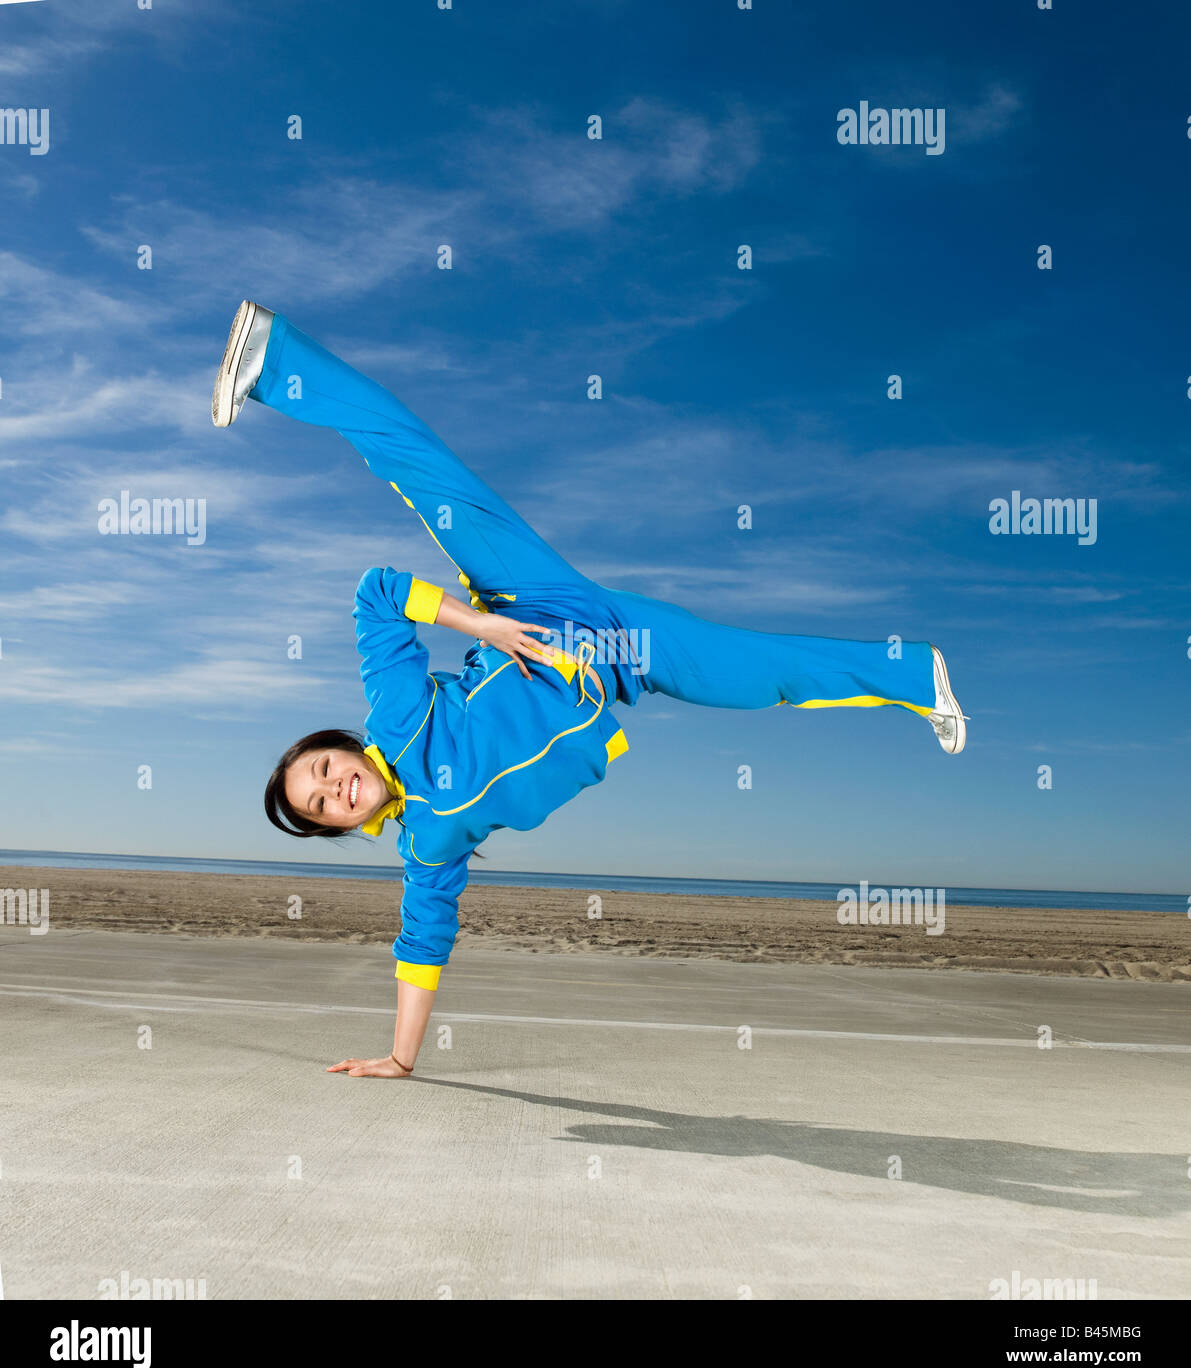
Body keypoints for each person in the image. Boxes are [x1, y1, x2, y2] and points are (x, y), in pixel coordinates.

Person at [212, 301, 968, 1080]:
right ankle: (917, 675)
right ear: (338, 828)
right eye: (321, 805)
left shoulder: (395, 714)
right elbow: (421, 946)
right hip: (615, 657)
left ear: (340, 747)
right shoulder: (427, 847)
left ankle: (273, 359)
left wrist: (482, 628)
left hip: (527, 599)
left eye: (323, 770)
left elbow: (375, 594)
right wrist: (402, 1059)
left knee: (418, 463)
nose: (335, 788)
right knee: (761, 677)